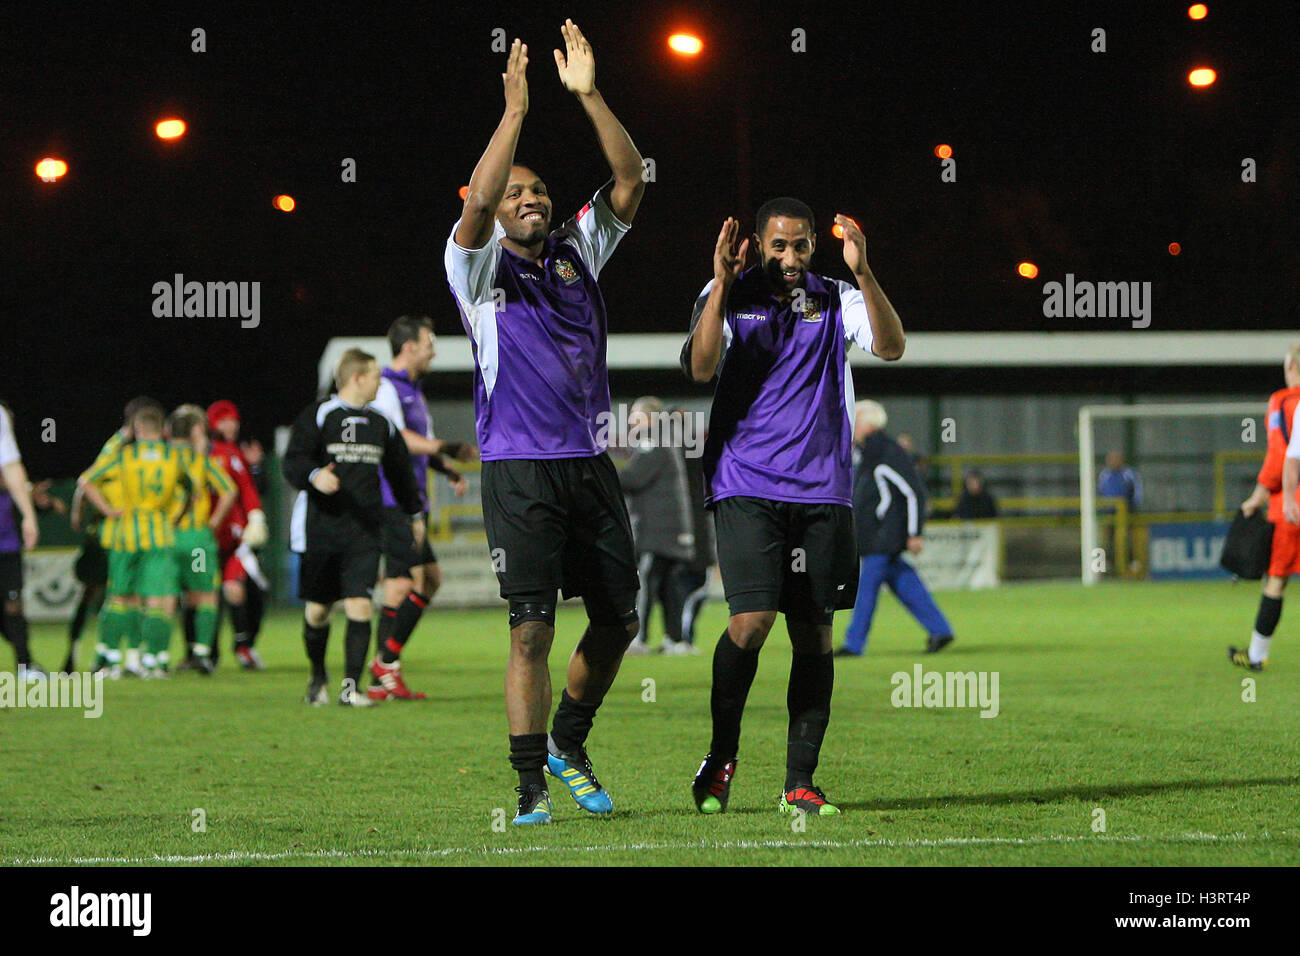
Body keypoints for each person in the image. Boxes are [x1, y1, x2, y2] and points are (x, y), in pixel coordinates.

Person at [443, 20, 646, 825]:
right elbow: (481, 197)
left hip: (588, 464)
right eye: (515, 195)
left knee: (621, 619)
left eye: (538, 192)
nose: (528, 201)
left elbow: (630, 178)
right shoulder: (474, 267)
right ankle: (529, 786)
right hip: (519, 467)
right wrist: (515, 111)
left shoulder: (575, 254)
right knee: (531, 633)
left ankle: (569, 740)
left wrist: (589, 95)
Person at [683, 199, 905, 817]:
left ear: (814, 246)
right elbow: (702, 368)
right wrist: (724, 283)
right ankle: (721, 755)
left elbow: (890, 347)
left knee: (814, 636)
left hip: (822, 490)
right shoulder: (728, 289)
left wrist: (863, 272)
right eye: (778, 246)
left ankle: (799, 782)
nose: (789, 257)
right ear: (757, 243)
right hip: (746, 483)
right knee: (751, 623)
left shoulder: (834, 297)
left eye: (801, 246)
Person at [283, 349, 423, 707]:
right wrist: (314, 476)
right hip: (322, 529)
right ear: (357, 377)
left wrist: (415, 515)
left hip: (364, 530)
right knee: (318, 611)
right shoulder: (319, 414)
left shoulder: (382, 424)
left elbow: (402, 476)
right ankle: (317, 677)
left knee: (360, 604)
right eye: (375, 375)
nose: (380, 381)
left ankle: (350, 688)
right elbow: (293, 461)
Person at [368, 314, 476, 701]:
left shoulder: (413, 389)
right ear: (409, 345)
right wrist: (447, 448)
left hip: (411, 500)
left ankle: (385, 666)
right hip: (390, 499)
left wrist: (445, 468)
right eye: (430, 340)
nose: (434, 348)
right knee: (401, 583)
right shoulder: (384, 387)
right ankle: (382, 671)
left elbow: (419, 443)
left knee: (427, 580)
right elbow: (397, 440)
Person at [79, 399, 190, 678]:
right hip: (159, 533)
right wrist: (175, 517)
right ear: (163, 428)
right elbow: (190, 490)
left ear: (137, 428)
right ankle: (154, 661)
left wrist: (106, 510)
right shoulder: (173, 458)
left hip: (124, 533)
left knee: (119, 598)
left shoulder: (122, 456)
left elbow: (85, 481)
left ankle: (111, 659)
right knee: (158, 600)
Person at [836, 400, 954, 657]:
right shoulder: (867, 452)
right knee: (904, 581)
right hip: (877, 535)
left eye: (856, 417)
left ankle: (853, 645)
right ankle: (940, 630)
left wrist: (914, 533)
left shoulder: (884, 453)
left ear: (868, 423)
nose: (851, 422)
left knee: (866, 589)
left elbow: (914, 493)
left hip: (883, 535)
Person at [620, 397, 704, 656]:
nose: (630, 420)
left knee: (645, 581)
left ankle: (639, 639)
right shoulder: (665, 440)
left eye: (635, 415)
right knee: (670, 587)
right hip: (674, 529)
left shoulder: (651, 440)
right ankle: (675, 640)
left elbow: (632, 479)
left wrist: (598, 474)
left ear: (648, 419)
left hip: (657, 530)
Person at [1234, 343, 1300, 671]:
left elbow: (1280, 457)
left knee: (1276, 579)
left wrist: (1258, 496)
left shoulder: (1283, 402)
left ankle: (1257, 655)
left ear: (1290, 366)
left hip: (1290, 506)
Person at [167, 405, 238, 675]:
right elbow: (229, 490)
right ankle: (202, 654)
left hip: (164, 538)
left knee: (161, 597)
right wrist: (214, 521)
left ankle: (150, 658)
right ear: (196, 430)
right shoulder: (201, 461)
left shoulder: (161, 458)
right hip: (196, 539)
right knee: (205, 595)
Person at [206, 400, 270, 670]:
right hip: (205, 540)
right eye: (224, 420)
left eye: (234, 420)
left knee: (240, 589)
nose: (231, 425)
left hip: (235, 542)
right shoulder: (204, 453)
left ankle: (243, 647)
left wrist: (255, 516)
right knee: (202, 593)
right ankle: (202, 651)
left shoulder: (233, 452)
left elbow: (249, 489)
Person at [0, 402, 44, 677]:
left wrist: (29, 514)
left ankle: (25, 665)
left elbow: (11, 467)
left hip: (5, 542)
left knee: (13, 605)